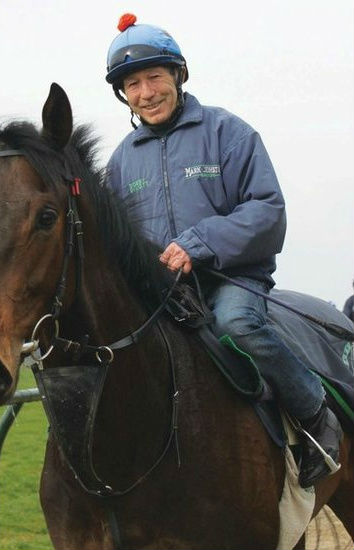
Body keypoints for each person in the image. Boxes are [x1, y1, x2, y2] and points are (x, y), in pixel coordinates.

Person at [103, 13, 341, 488]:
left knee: (237, 325)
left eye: (154, 77)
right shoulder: (122, 159)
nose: (146, 93)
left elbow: (268, 209)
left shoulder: (229, 133)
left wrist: (200, 243)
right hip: (163, 293)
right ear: (124, 95)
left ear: (178, 75)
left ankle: (317, 418)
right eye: (133, 84)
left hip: (232, 280)